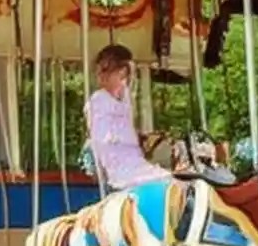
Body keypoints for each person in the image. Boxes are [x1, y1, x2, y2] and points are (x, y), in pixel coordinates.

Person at [85, 44, 235, 189]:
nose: (127, 81)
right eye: (123, 74)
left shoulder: (123, 103)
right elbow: (105, 143)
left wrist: (144, 139)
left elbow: (124, 135)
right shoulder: (99, 102)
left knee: (182, 179)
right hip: (123, 172)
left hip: (134, 165)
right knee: (173, 183)